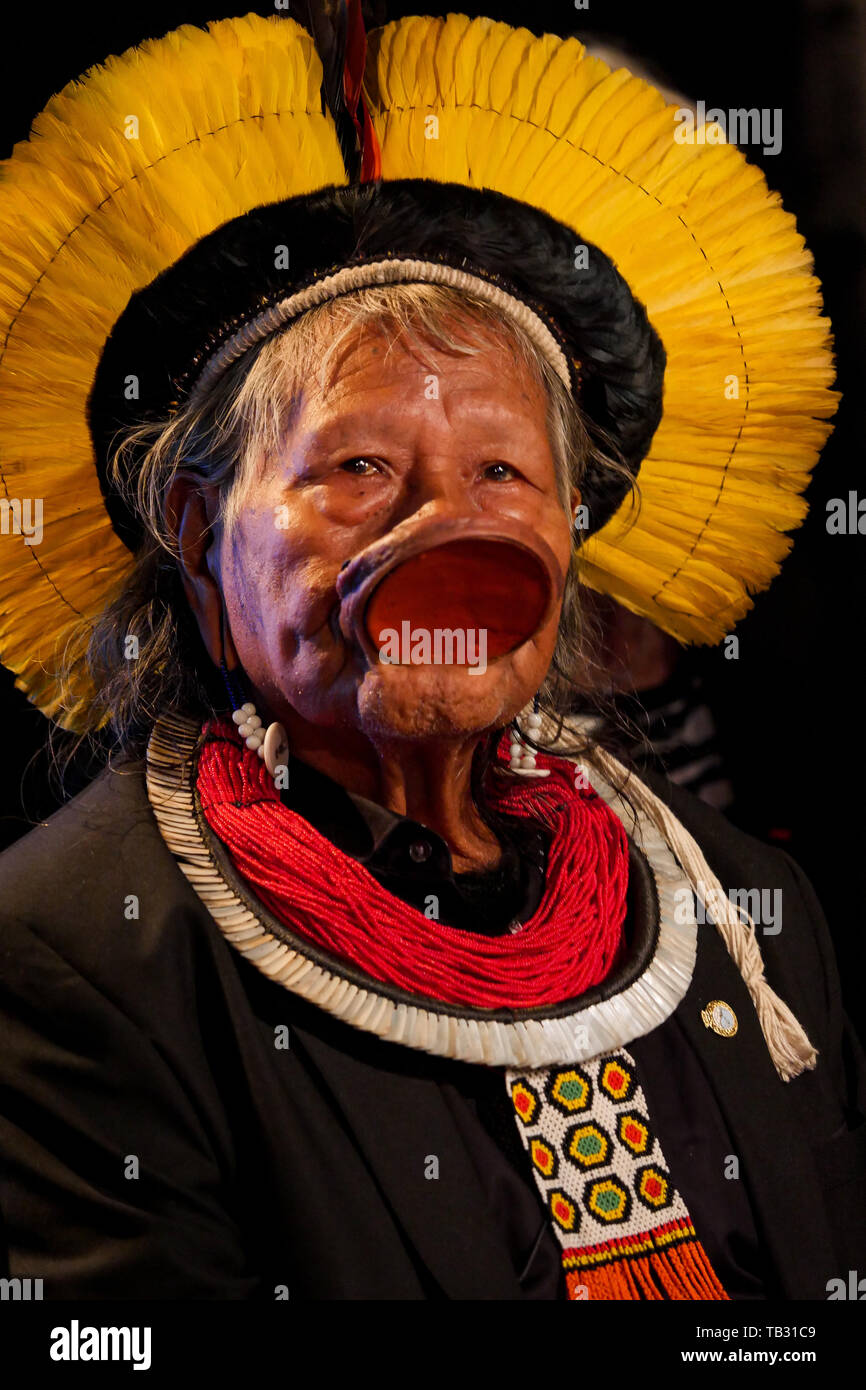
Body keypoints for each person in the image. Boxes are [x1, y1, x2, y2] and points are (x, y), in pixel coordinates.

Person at [0, 7, 863, 1301]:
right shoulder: (72, 955)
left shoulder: (744, 915)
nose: (449, 522)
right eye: (359, 466)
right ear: (195, 529)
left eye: (502, 469)